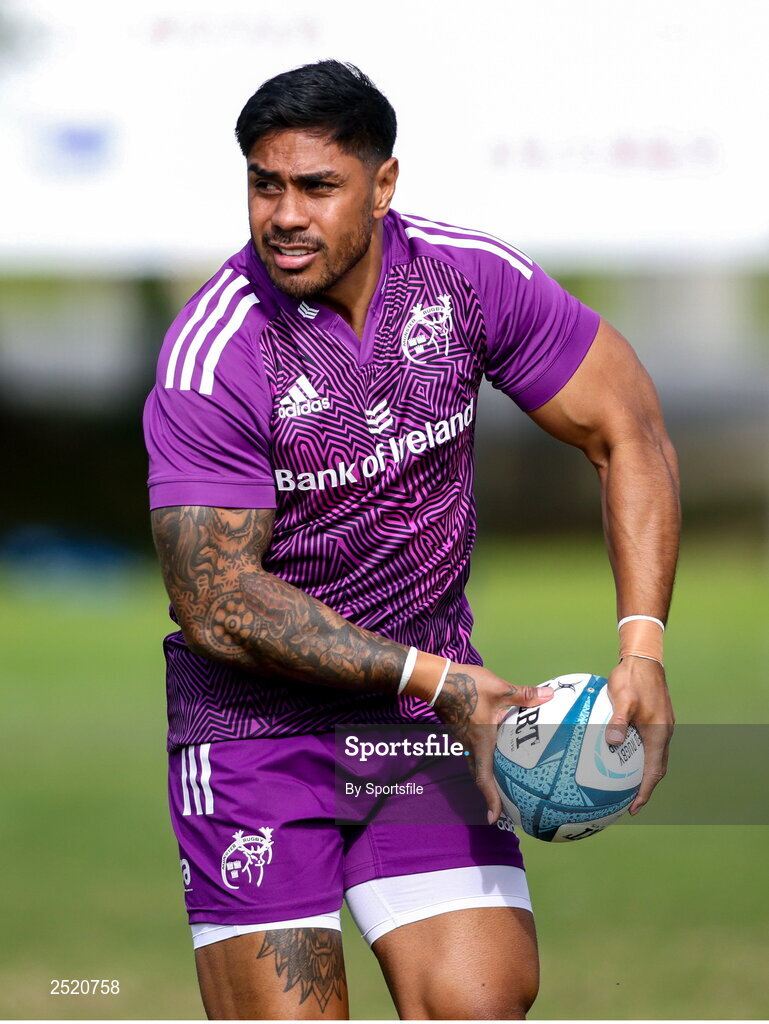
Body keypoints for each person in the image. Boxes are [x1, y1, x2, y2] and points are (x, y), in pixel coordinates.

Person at [143, 60, 678, 1020]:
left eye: (317, 186)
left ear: (382, 185)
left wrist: (642, 647)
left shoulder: (464, 278)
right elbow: (217, 603)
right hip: (256, 741)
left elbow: (625, 428)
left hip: (419, 724)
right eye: (265, 185)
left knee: (481, 1001)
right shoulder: (215, 353)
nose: (285, 215)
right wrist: (439, 680)